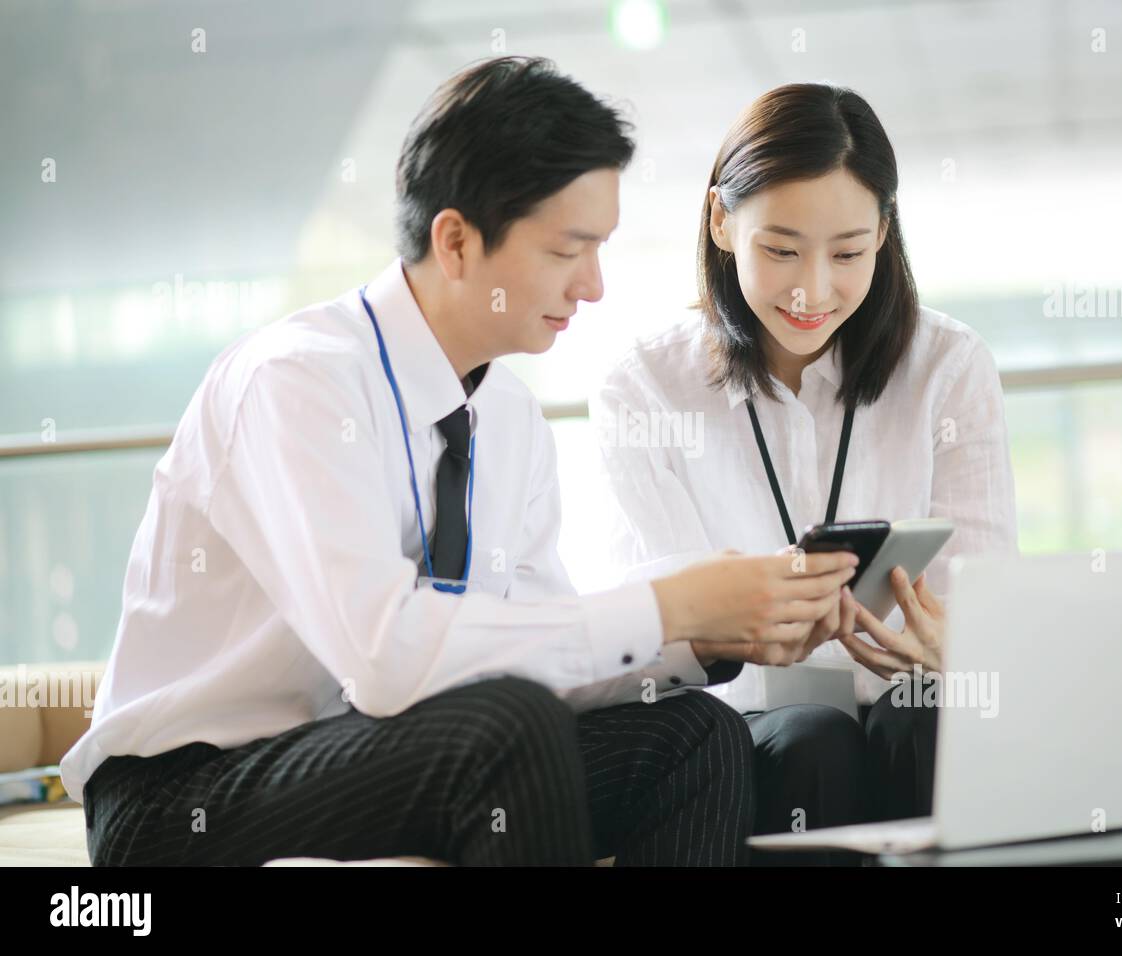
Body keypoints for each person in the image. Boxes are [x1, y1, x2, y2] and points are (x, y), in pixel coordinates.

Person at [60, 57, 861, 867]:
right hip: (186, 794)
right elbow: (385, 659)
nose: (594, 286)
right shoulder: (298, 381)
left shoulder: (509, 417)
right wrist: (664, 604)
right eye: (567, 250)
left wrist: (708, 631)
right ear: (455, 240)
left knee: (693, 735)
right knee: (505, 727)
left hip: (388, 753)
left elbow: (543, 657)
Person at [592, 82, 1018, 864]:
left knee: (927, 710)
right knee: (814, 739)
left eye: (849, 253)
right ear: (722, 221)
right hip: (753, 722)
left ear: (885, 233)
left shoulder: (949, 367)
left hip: (907, 702)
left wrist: (948, 647)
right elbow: (654, 632)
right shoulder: (645, 388)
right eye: (781, 250)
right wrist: (747, 623)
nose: (811, 290)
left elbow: (985, 607)